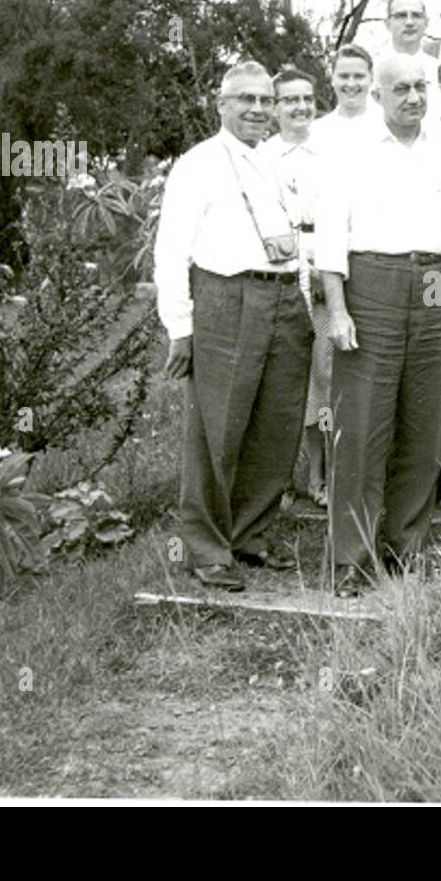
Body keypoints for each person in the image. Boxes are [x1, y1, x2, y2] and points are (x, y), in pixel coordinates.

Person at [315, 53, 441, 596]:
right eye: (401, 89)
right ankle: (351, 557)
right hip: (372, 283)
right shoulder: (349, 150)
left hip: (437, 285)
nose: (413, 97)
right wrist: (339, 310)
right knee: (363, 425)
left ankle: (405, 545)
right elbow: (328, 241)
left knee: (425, 421)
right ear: (378, 94)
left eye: (421, 88)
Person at [154, 61, 312, 591]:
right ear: (221, 105)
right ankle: (205, 546)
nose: (258, 110)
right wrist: (180, 325)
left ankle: (249, 533)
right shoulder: (197, 164)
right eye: (245, 99)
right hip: (225, 296)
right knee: (217, 427)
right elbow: (171, 249)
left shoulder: (270, 162)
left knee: (276, 422)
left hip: (283, 296)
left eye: (266, 101)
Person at [266, 68, 332, 508]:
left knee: (325, 374)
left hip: (324, 260)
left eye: (307, 99)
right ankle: (282, 477)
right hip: (280, 264)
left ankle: (325, 472)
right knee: (286, 376)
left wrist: (329, 269)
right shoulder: (263, 155)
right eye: (290, 100)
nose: (300, 107)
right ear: (274, 108)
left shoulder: (330, 152)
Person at [313, 44, 377, 141]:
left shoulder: (391, 127)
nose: (351, 84)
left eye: (359, 76)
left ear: (371, 77)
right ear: (332, 78)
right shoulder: (318, 132)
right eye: (344, 76)